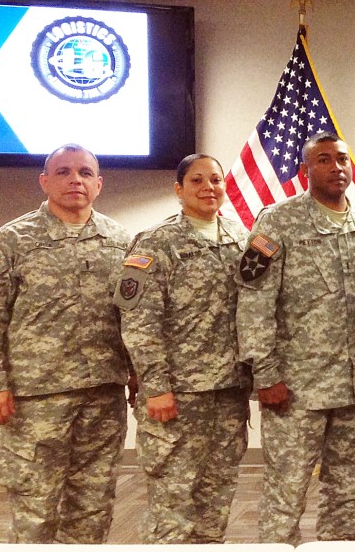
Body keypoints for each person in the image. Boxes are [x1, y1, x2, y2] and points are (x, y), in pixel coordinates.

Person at [0, 144, 131, 543]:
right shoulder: (12, 240)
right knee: (35, 508)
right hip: (35, 398)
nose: (74, 180)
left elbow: (135, 318)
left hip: (102, 393)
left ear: (98, 184)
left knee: (94, 505)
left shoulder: (122, 241)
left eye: (84, 172)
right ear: (45, 181)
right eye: (63, 172)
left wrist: (139, 376)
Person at [236, 133, 355, 546]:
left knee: (348, 494)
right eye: (323, 160)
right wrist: (264, 374)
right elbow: (254, 299)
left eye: (342, 159)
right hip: (297, 388)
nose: (336, 167)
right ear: (304, 170)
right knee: (287, 492)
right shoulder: (277, 222)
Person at [113, 154, 251, 543]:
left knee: (217, 496)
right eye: (197, 181)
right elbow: (138, 322)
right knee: (172, 501)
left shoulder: (240, 238)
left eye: (216, 180)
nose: (209, 188)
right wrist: (155, 387)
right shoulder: (155, 243)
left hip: (228, 391)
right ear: (179, 190)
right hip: (176, 394)